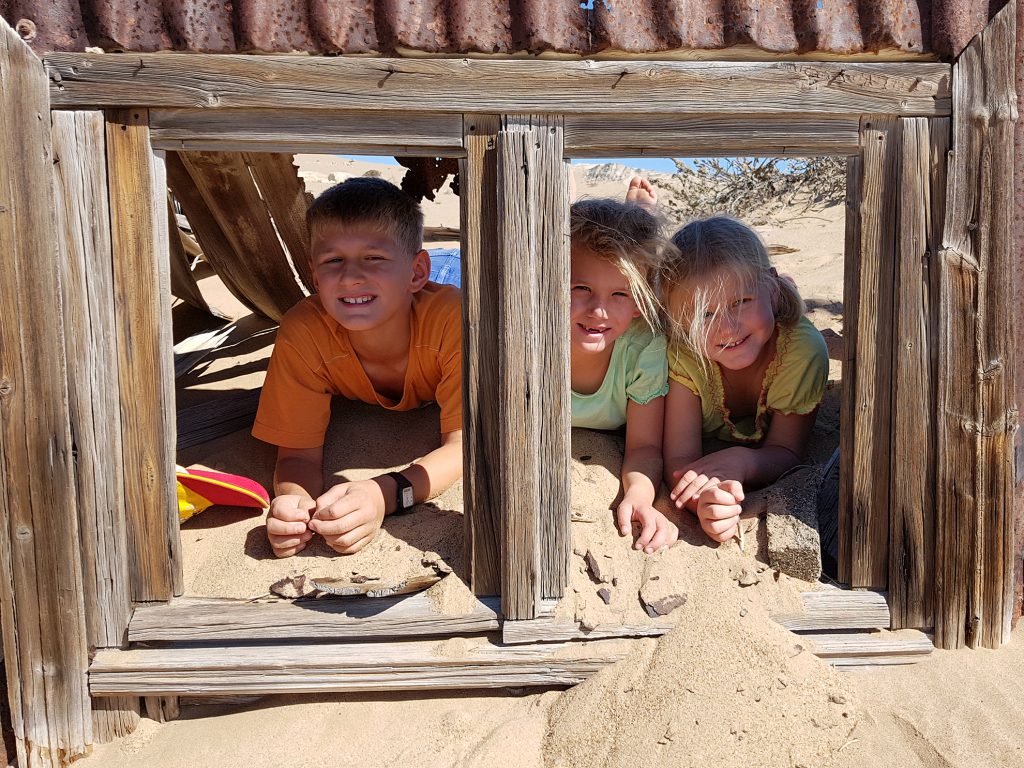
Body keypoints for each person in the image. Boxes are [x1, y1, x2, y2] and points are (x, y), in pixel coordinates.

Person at [252, 177, 462, 558]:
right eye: (333, 261)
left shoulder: (452, 322)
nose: (350, 277)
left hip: (449, 279)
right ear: (315, 278)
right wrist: (294, 504)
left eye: (374, 257)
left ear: (416, 273)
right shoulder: (305, 332)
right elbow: (296, 455)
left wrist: (386, 493)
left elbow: (464, 445)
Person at [660, 215, 828, 542]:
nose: (727, 328)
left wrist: (742, 461)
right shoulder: (685, 354)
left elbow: (788, 451)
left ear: (772, 287)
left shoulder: (800, 352)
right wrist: (704, 501)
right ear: (681, 322)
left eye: (741, 302)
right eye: (705, 314)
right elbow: (680, 459)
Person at [570, 197, 678, 554]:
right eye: (580, 288)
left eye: (619, 293)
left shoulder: (643, 350)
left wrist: (638, 494)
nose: (598, 309)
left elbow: (645, 446)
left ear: (638, 302)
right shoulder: (532, 341)